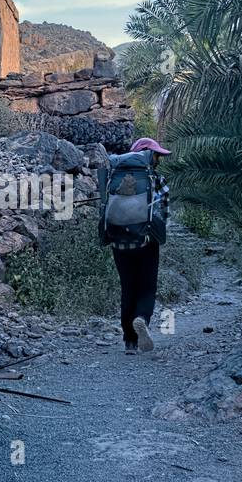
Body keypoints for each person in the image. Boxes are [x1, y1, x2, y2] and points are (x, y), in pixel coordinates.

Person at [98, 137, 170, 355]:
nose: (159, 159)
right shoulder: (156, 178)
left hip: (119, 240)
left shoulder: (113, 177)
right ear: (149, 155)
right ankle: (142, 319)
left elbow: (104, 205)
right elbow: (164, 212)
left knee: (128, 288)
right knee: (147, 287)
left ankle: (129, 341)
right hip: (146, 240)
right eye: (157, 155)